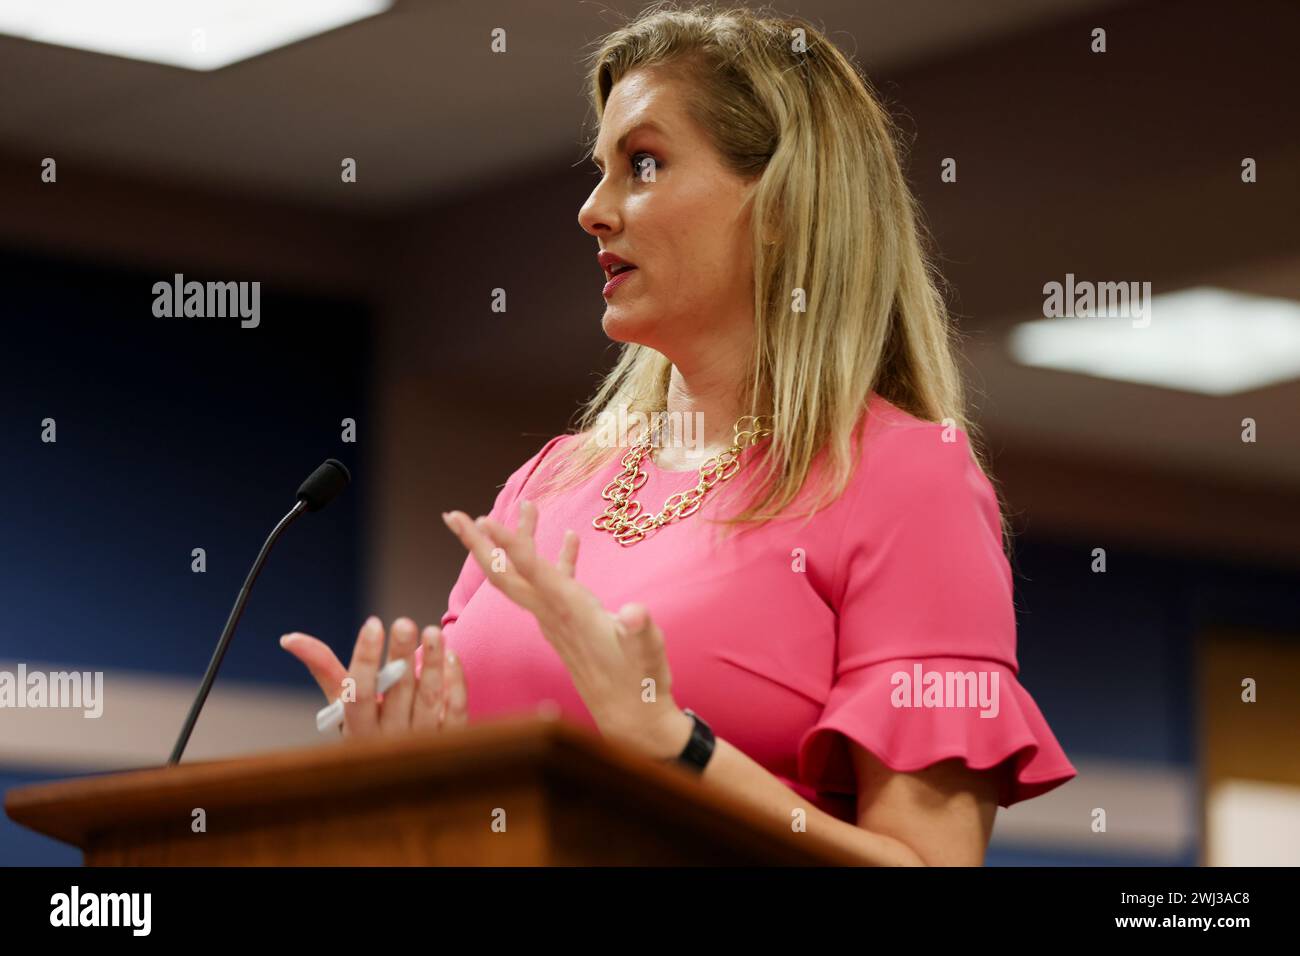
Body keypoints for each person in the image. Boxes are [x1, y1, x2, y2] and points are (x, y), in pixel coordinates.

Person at [281, 2, 1076, 865]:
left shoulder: (907, 480)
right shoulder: (545, 484)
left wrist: (678, 745)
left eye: (645, 164)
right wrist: (406, 776)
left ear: (781, 203)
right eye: (601, 169)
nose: (593, 209)